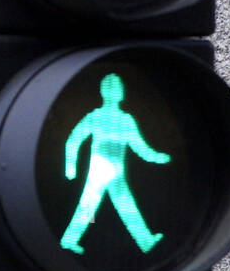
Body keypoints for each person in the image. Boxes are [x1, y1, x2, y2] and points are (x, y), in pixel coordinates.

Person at [60, 73, 171, 255]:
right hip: (102, 170)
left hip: (111, 171)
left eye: (116, 88)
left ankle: (145, 241)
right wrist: (70, 167)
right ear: (106, 92)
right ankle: (145, 241)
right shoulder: (101, 118)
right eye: (111, 88)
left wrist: (157, 157)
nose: (113, 92)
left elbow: (140, 147)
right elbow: (73, 140)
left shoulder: (124, 120)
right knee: (95, 206)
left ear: (120, 93)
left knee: (108, 206)